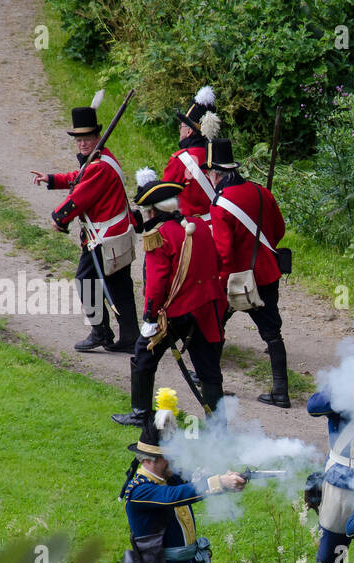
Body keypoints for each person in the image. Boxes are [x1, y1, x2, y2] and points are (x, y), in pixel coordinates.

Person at [121, 387, 247, 563]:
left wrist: (228, 480)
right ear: (151, 459)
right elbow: (176, 496)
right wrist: (218, 482)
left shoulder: (167, 475)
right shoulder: (139, 490)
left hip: (187, 562)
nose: (175, 462)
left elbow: (195, 482)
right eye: (170, 457)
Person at [111, 170, 226, 426]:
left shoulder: (159, 235)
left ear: (153, 211)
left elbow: (156, 282)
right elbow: (217, 264)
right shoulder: (200, 227)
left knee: (143, 354)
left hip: (176, 311)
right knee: (208, 369)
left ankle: (141, 413)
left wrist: (150, 316)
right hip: (207, 306)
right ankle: (218, 426)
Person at [32, 91, 137, 353]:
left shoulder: (99, 166)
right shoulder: (99, 159)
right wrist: (52, 178)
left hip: (104, 238)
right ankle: (130, 336)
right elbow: (80, 177)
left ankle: (100, 331)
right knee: (118, 284)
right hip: (116, 234)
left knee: (85, 280)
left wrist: (59, 217)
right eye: (79, 139)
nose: (82, 143)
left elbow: (80, 196)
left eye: (87, 138)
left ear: (97, 136)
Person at [204, 138, 291, 407]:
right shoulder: (262, 192)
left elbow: (224, 253)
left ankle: (211, 383)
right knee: (272, 333)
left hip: (237, 281)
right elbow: (279, 231)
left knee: (215, 326)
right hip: (268, 275)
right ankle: (281, 391)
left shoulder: (220, 205)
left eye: (209, 174)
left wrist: (219, 283)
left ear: (215, 173)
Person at [163, 86, 219, 221]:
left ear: (189, 132)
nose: (180, 131)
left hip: (189, 230)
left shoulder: (179, 160)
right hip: (217, 228)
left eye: (181, 126)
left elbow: (163, 198)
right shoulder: (220, 156)